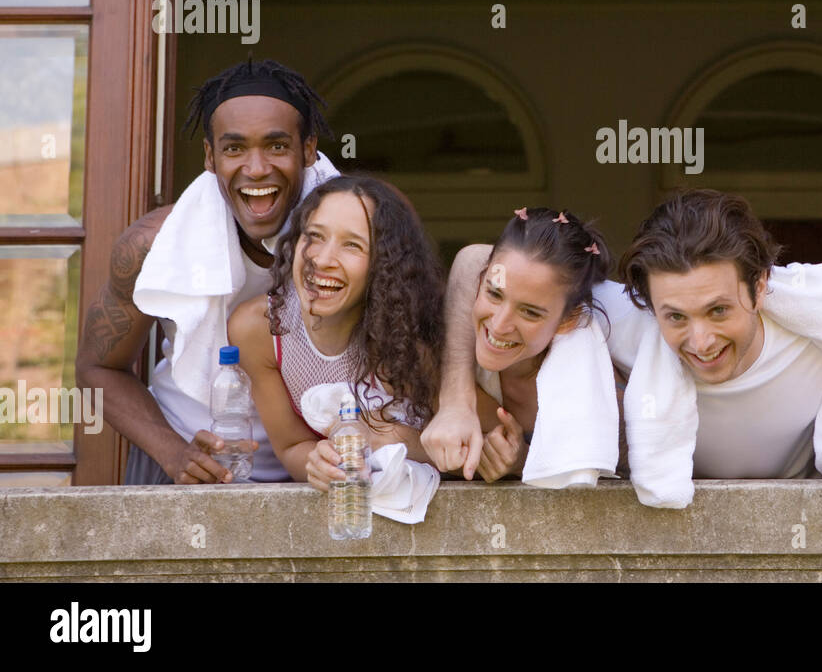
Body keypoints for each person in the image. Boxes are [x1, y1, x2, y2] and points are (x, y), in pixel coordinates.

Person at [424, 187, 822, 493]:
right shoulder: (627, 316)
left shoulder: (821, 309)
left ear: (760, 288)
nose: (698, 340)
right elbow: (478, 258)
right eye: (676, 317)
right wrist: (456, 401)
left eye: (719, 310)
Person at [76, 59, 338, 484]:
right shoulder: (151, 245)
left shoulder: (363, 235)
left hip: (320, 472)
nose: (256, 169)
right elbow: (97, 370)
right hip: (186, 463)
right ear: (210, 157)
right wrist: (173, 453)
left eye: (276, 146)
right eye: (234, 148)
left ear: (308, 150)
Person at [226, 175, 443, 489]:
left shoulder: (411, 335)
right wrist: (316, 462)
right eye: (314, 236)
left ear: (384, 265)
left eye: (352, 245)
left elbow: (475, 440)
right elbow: (291, 446)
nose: (323, 260)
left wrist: (382, 437)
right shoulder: (257, 329)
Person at [441, 207, 616, 483]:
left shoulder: (597, 394)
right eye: (494, 293)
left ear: (568, 320)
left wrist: (523, 461)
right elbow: (471, 258)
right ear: (481, 279)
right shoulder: (437, 356)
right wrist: (455, 403)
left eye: (530, 312)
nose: (499, 325)